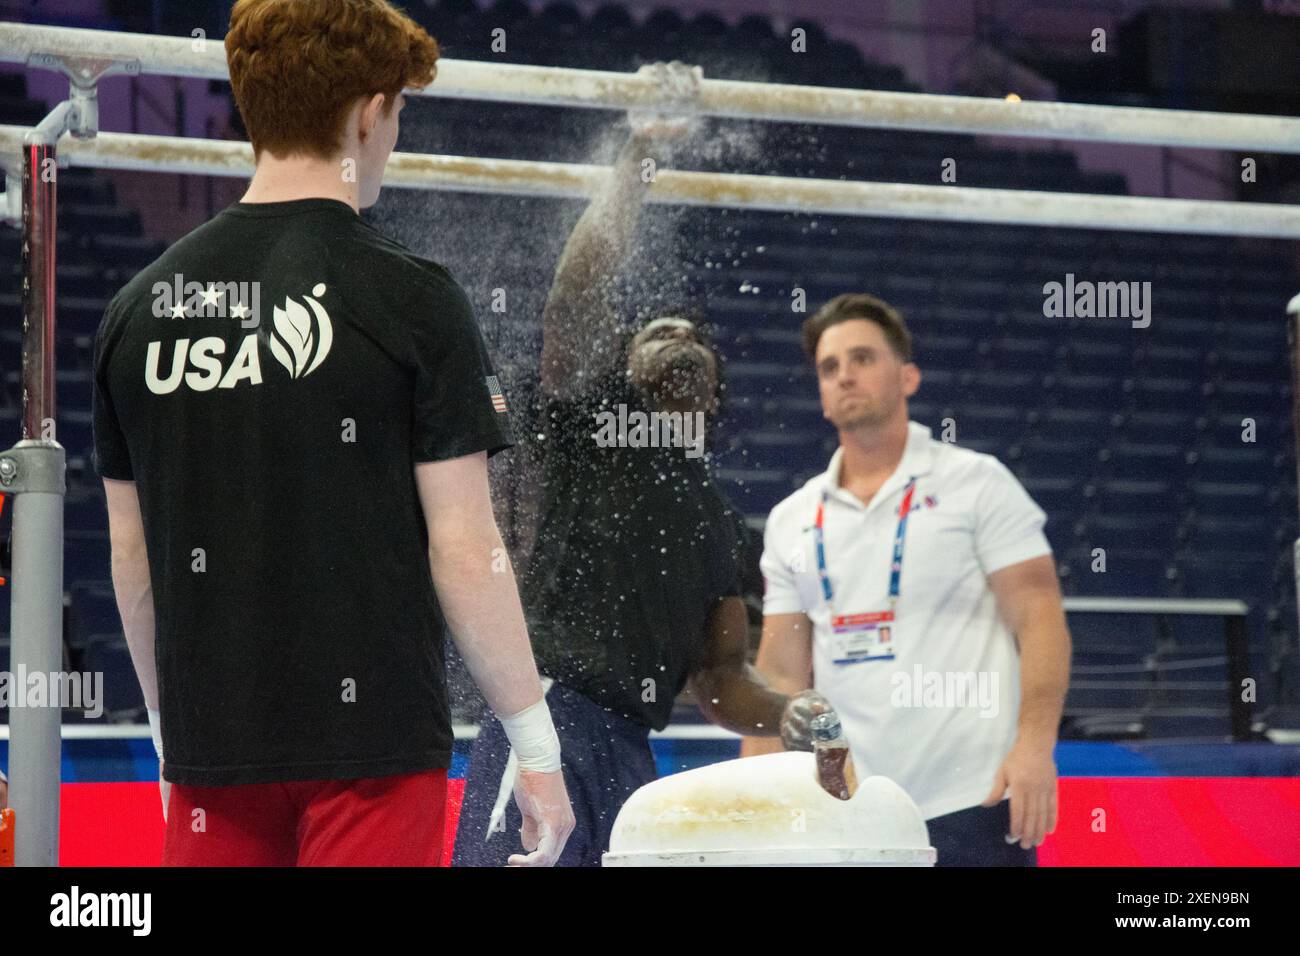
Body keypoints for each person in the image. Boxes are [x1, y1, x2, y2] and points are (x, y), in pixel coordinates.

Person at [92, 0, 573, 867]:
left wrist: (172, 735)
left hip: (215, 757)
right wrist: (535, 745)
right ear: (368, 112)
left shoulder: (137, 314)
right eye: (398, 115)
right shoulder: (411, 298)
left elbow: (133, 561)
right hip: (374, 756)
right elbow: (466, 545)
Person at [452, 67, 824, 866]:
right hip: (545, 718)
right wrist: (637, 154)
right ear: (623, 367)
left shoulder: (721, 524)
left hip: (631, 750)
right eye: (657, 330)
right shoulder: (594, 422)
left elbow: (720, 678)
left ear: (716, 390)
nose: (678, 338)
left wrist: (787, 714)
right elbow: (578, 293)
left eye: (694, 336)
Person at [743, 293, 1072, 866]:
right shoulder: (792, 520)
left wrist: (1036, 747)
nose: (845, 375)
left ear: (909, 376)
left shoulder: (978, 484)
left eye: (864, 358)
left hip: (975, 797)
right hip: (850, 807)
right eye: (830, 367)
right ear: (821, 397)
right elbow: (778, 674)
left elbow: (1041, 618)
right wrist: (758, 801)